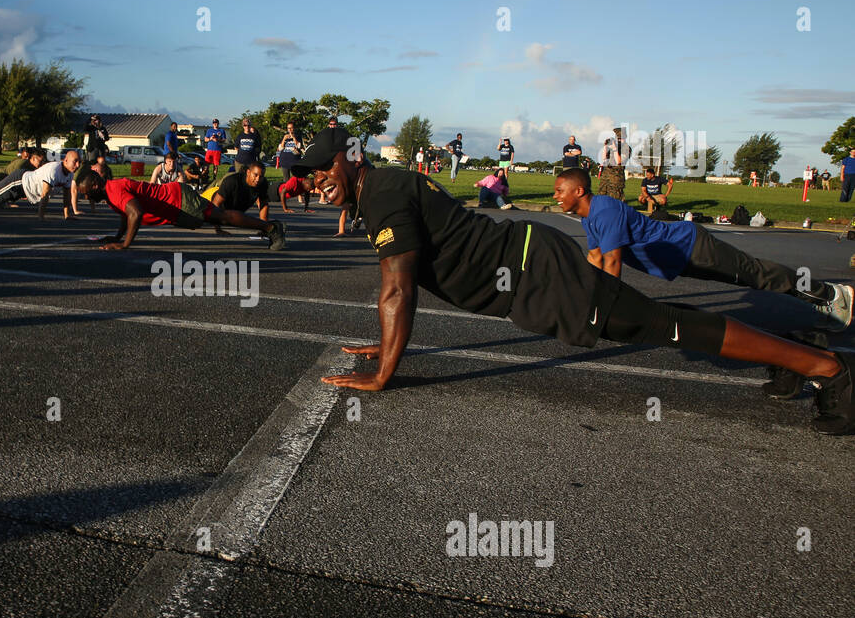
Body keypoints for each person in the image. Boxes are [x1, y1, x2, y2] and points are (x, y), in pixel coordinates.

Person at [301, 147, 855, 435]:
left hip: (537, 277)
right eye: (302, 176)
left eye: (318, 169)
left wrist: (383, 370)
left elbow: (397, 292)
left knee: (666, 327)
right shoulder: (382, 186)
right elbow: (398, 288)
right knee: (664, 324)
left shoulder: (384, 195)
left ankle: (827, 368)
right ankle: (797, 348)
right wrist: (385, 343)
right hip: (529, 270)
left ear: (349, 160)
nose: (311, 182)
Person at [554, 167, 853, 336]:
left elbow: (613, 261)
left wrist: (603, 309)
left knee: (756, 274)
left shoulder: (604, 211)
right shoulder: (589, 215)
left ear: (578, 191)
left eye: (559, 191)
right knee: (751, 278)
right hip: (679, 259)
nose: (555, 197)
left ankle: (831, 295)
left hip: (692, 247)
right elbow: (596, 258)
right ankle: (822, 297)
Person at [74, 167, 286, 251]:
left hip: (178, 201)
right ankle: (270, 228)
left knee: (221, 217)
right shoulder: (112, 193)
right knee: (220, 218)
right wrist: (117, 237)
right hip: (176, 201)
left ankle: (271, 228)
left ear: (94, 185)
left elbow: (134, 213)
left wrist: (124, 245)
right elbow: (125, 214)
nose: (84, 196)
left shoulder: (114, 190)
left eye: (85, 192)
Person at [0, 149, 81, 218]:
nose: (78, 165)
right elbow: (45, 194)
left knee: (1, 198)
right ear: (65, 160)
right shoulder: (54, 171)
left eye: (79, 162)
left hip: (27, 191)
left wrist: (67, 215)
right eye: (75, 161)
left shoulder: (70, 174)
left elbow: (67, 195)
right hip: (20, 181)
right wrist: (41, 217)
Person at [210, 163, 271, 232]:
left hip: (231, 212)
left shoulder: (263, 183)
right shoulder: (232, 181)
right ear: (248, 172)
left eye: (261, 176)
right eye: (255, 175)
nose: (258, 179)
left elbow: (263, 204)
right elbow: (215, 204)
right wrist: (218, 229)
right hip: (209, 201)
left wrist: (264, 227)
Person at [597, 128, 629, 200]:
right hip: (606, 177)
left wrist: (615, 149)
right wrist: (605, 146)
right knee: (601, 197)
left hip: (616, 178)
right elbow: (604, 159)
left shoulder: (626, 148)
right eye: (618, 138)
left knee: (614, 199)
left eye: (621, 138)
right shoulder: (613, 146)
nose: (619, 140)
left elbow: (619, 161)